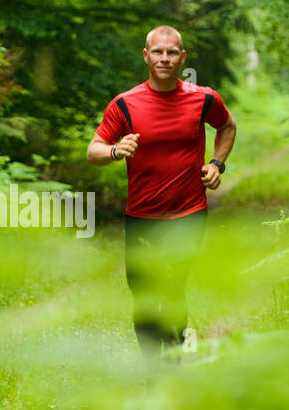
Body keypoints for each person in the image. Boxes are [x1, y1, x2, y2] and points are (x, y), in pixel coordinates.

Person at [87, 25, 237, 358]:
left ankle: (171, 362)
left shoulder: (204, 99)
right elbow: (93, 150)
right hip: (142, 215)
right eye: (158, 52)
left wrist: (216, 164)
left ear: (182, 58)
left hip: (188, 212)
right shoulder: (125, 104)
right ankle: (154, 366)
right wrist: (115, 151)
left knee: (170, 287)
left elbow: (227, 126)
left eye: (172, 53)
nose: (165, 58)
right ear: (146, 56)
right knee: (142, 295)